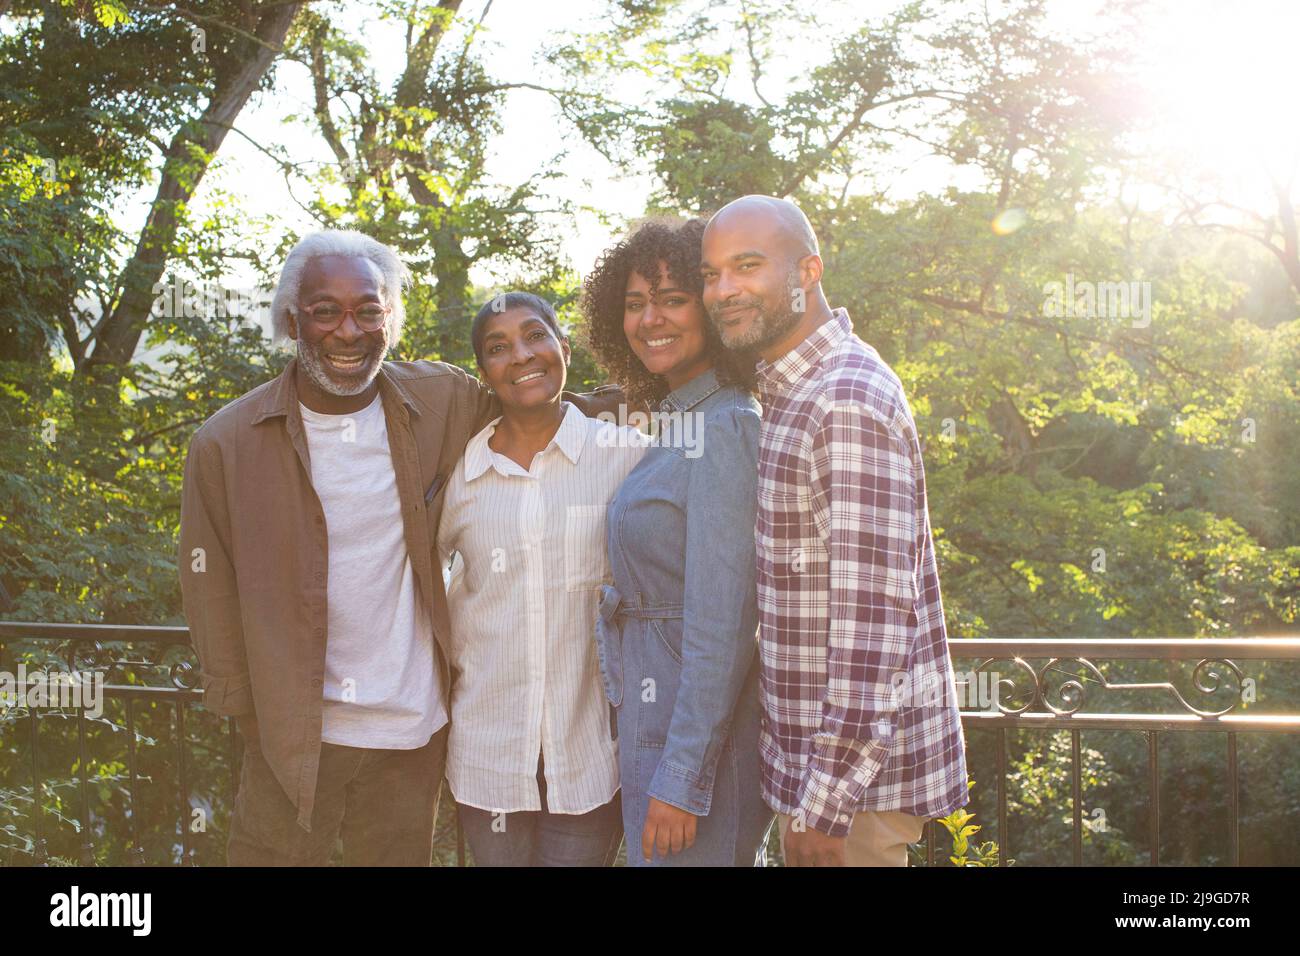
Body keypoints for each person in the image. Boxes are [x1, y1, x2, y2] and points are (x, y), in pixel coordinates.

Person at [179, 232, 620, 866]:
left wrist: (663, 405)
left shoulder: (438, 401)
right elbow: (208, 591)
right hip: (293, 739)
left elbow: (533, 401)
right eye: (325, 310)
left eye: (368, 309)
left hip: (412, 736)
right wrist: (251, 718)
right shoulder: (227, 445)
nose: (348, 330)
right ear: (292, 319)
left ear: (390, 318)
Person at [701, 195, 969, 867]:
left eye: (748, 266)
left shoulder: (843, 398)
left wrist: (825, 803)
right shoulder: (790, 389)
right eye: (711, 273)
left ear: (808, 272)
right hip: (819, 779)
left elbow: (873, 626)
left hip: (854, 799)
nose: (724, 289)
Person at [582, 218, 774, 866]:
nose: (649, 318)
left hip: (692, 752)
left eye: (671, 298)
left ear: (711, 308)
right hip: (650, 723)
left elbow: (725, 625)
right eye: (635, 303)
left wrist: (683, 778)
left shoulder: (726, 425)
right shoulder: (676, 420)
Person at [436, 292, 648, 866]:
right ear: (485, 373)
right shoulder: (462, 476)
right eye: (498, 348)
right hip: (488, 753)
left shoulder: (627, 457)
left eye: (535, 336)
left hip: (587, 754)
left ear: (564, 349)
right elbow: (421, 586)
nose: (521, 355)